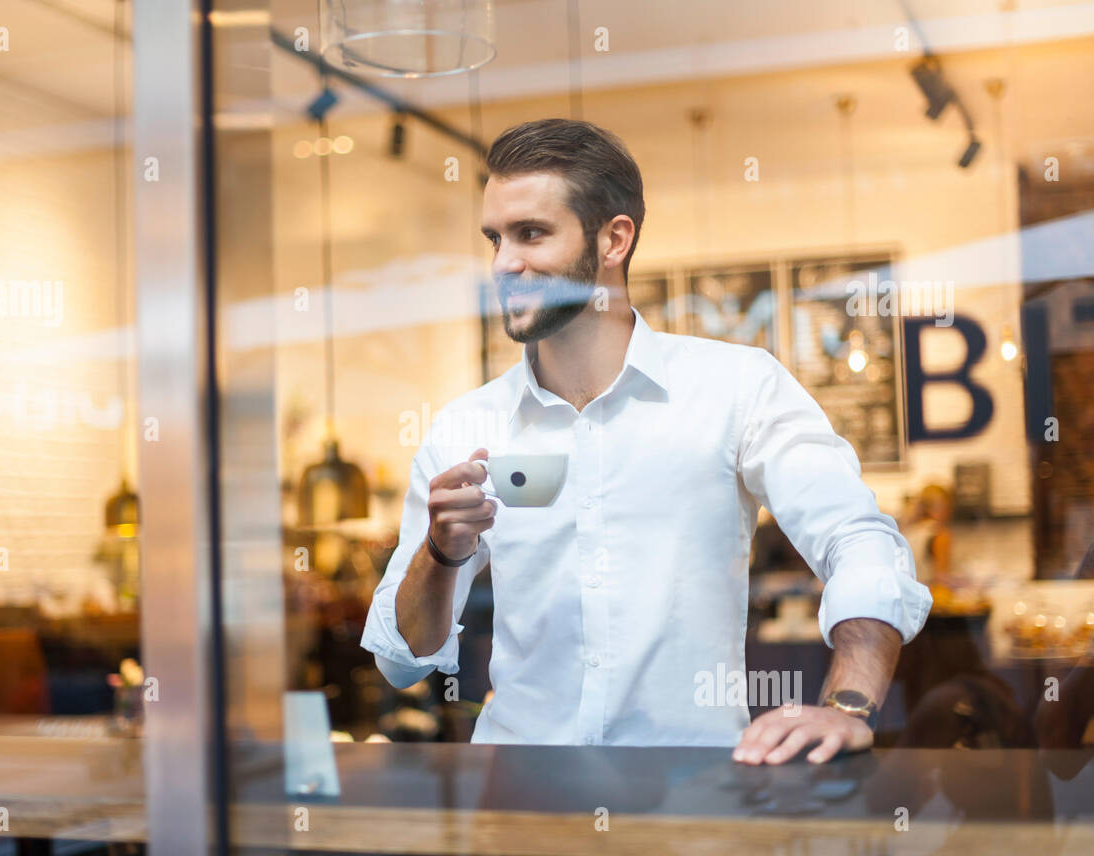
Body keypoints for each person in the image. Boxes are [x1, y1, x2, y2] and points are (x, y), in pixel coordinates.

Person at [360, 118, 932, 765]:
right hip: (521, 811)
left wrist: (849, 706)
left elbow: (858, 540)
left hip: (690, 809)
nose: (504, 263)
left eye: (531, 234)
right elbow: (399, 662)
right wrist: (441, 552)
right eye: (495, 238)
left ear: (614, 239)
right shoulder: (466, 427)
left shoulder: (736, 388)